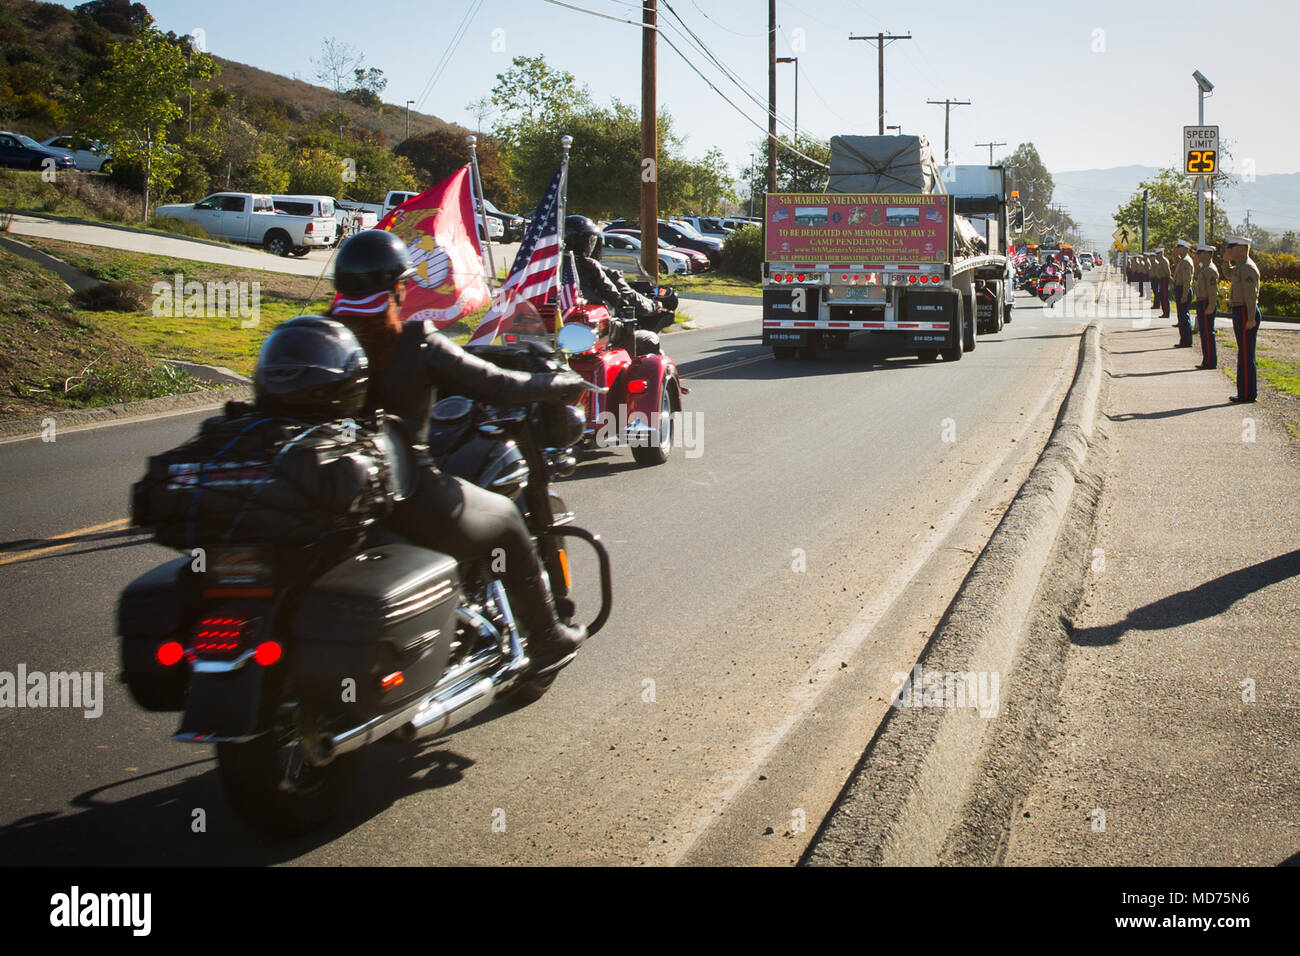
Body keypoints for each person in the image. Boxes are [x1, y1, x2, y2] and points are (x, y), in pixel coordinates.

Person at [325, 229, 590, 673]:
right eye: (405, 283)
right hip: (402, 491)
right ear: (397, 287)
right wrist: (559, 383)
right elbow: (499, 386)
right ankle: (547, 639)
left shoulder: (320, 336)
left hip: (329, 489)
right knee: (505, 520)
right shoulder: (413, 342)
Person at [564, 215, 671, 353]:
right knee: (650, 339)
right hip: (592, 329)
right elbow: (614, 294)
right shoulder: (590, 265)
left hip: (558, 330)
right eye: (589, 240)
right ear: (585, 241)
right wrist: (627, 307)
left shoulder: (546, 267)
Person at [1223, 235, 1261, 403]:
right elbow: (1228, 274)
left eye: (1233, 248)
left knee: (1246, 354)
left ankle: (1247, 393)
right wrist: (1225, 261)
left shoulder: (1247, 268)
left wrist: (1251, 318)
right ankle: (1245, 391)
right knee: (1244, 353)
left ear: (1243, 249)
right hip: (1241, 310)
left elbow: (1251, 296)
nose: (1230, 250)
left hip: (1246, 311)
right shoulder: (1240, 266)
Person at [1193, 243, 1219, 370]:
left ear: (1208, 254)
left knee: (1208, 334)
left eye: (1200, 253)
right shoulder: (1205, 268)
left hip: (1206, 302)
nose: (1198, 256)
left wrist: (1211, 306)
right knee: (1204, 333)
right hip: (1202, 302)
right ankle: (1207, 359)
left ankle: (1210, 361)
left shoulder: (1210, 270)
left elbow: (1213, 291)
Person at [1171, 240, 1195, 347]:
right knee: (1181, 316)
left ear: (1185, 248)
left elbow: (1187, 280)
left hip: (1183, 290)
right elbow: (1175, 261)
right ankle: (1184, 340)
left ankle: (1186, 341)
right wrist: (1174, 253)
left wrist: (1184, 295)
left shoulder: (1186, 261)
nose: (1178, 250)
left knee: (1184, 316)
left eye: (1180, 248)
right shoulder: (1182, 260)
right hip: (1180, 289)